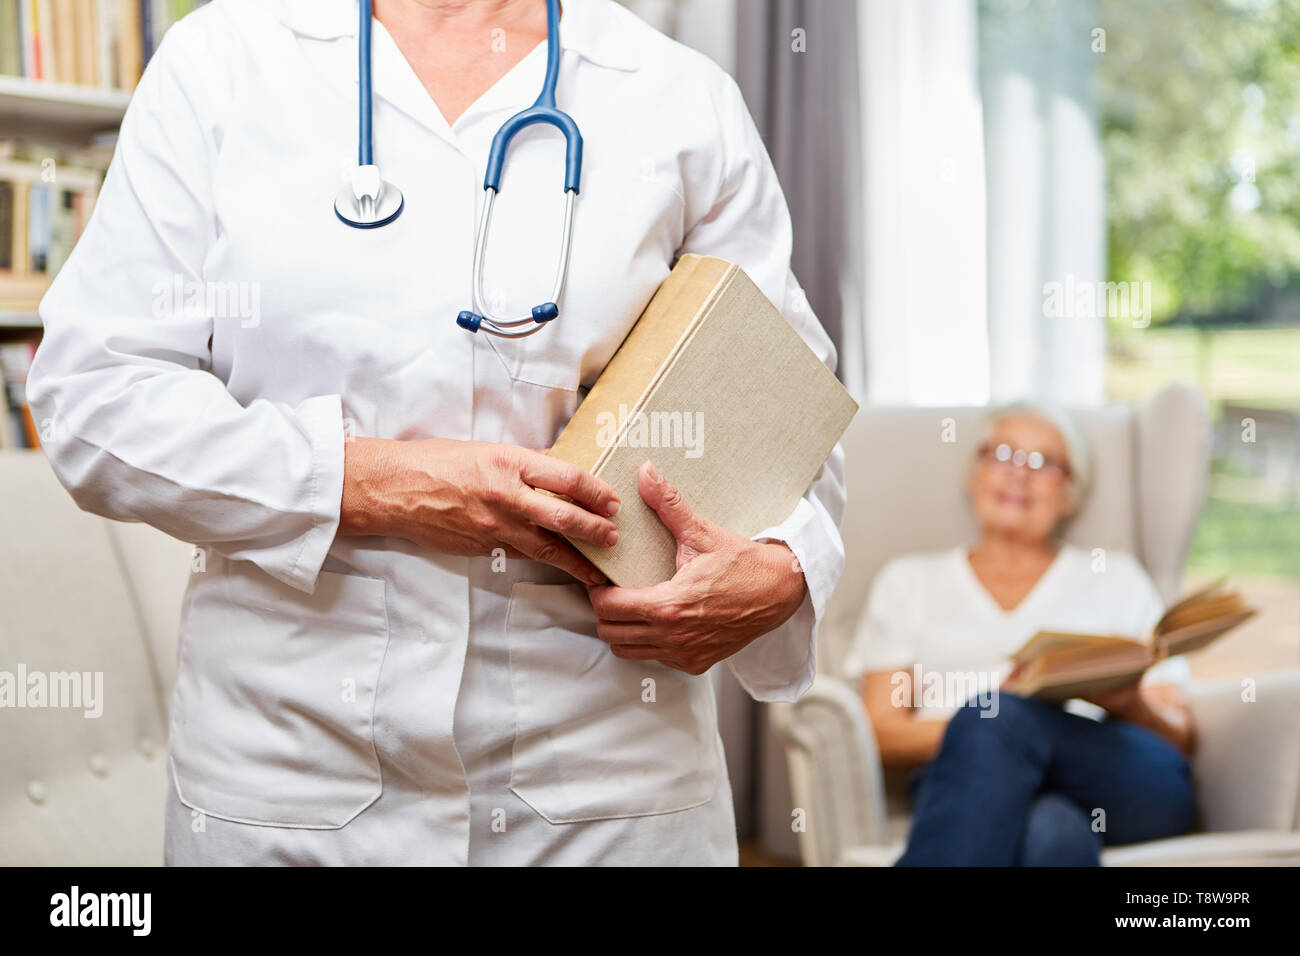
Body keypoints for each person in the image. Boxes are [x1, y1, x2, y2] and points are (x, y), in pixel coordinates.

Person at [27, 0, 846, 865]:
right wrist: (367, 481)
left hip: (608, 780)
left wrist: (783, 572)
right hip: (293, 769)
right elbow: (94, 394)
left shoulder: (678, 96)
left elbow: (787, 416)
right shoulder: (221, 63)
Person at [842, 403, 1196, 865]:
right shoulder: (909, 581)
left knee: (999, 719)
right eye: (1002, 454)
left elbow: (1181, 739)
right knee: (1053, 834)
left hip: (1120, 778)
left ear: (1070, 495)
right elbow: (882, 731)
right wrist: (996, 727)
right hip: (971, 783)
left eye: (1042, 463)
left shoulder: (1117, 577)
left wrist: (1130, 703)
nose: (1018, 474)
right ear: (974, 475)